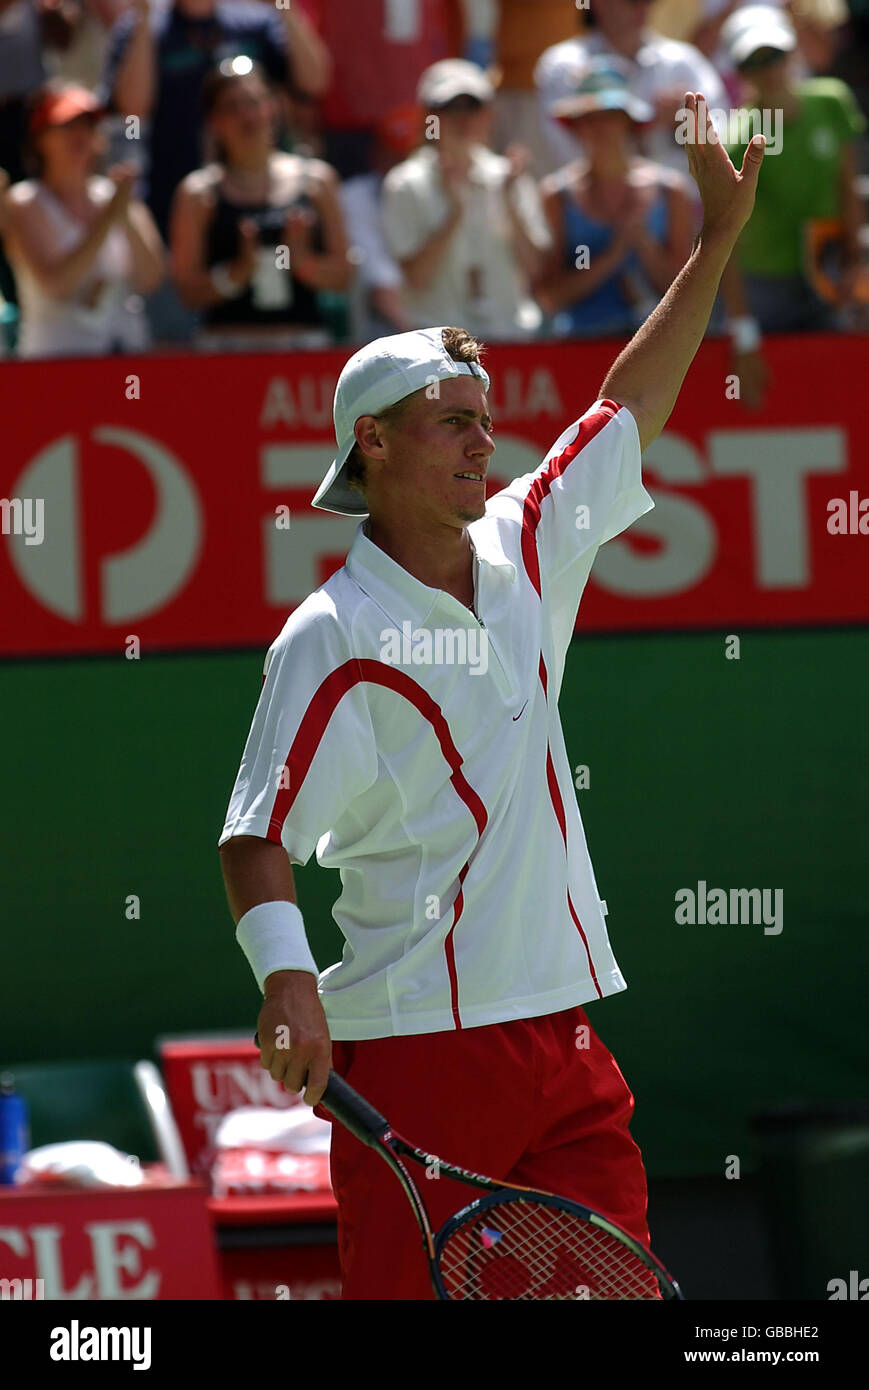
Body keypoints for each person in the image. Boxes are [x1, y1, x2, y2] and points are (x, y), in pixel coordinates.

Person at [217, 89, 766, 1301]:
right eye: (450, 425)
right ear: (372, 444)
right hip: (416, 1051)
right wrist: (287, 980)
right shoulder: (328, 637)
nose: (483, 443)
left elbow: (627, 401)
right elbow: (254, 839)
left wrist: (712, 240)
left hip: (565, 1032)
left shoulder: (526, 539)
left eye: (485, 422)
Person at [719, 5, 866, 402]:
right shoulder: (736, 140)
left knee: (841, 395)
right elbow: (725, 242)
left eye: (775, 55)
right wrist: (744, 335)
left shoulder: (831, 103)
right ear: (740, 71)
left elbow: (846, 189)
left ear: (792, 53)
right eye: (755, 61)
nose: (769, 68)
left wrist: (853, 261)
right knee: (776, 399)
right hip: (768, 289)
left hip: (831, 273)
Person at [170, 58, 351, 351]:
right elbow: (187, 292)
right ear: (214, 122)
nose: (247, 116)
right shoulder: (197, 194)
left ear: (273, 108)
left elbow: (344, 276)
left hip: (303, 349)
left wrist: (303, 262)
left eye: (254, 102)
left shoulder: (318, 181)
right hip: (226, 353)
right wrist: (236, 273)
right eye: (232, 107)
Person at [381, 59, 550, 340]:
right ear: (429, 118)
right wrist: (454, 214)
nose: (463, 119)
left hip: (512, 339)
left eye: (472, 107)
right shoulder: (404, 184)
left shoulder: (510, 178)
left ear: (488, 115)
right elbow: (418, 279)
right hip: (438, 349)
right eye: (450, 108)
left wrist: (508, 202)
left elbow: (534, 270)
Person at [2, 81, 164, 357]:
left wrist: (123, 216)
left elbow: (151, 279)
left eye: (88, 126)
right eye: (67, 126)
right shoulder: (24, 202)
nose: (80, 136)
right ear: (41, 138)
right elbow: (57, 285)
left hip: (126, 359)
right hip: (54, 366)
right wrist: (110, 217)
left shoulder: (117, 194)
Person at [537, 59, 696, 338]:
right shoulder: (556, 195)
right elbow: (549, 296)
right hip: (579, 348)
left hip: (656, 351)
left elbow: (686, 295)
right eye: (589, 118)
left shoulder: (670, 190)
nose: (600, 127)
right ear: (577, 126)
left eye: (609, 115)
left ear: (628, 122)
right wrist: (614, 255)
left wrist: (643, 245)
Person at [535, 0, 729, 176]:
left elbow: (723, 140)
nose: (643, 7)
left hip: (680, 210)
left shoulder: (683, 61)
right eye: (633, 1)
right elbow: (564, 155)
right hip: (592, 209)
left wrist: (685, 127)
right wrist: (638, 130)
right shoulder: (560, 67)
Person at [339, 105, 421, 342]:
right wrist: (432, 345)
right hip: (386, 330)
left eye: (408, 159)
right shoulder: (353, 196)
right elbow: (379, 285)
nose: (400, 170)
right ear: (377, 155)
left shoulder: (448, 190)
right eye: (394, 157)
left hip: (450, 320)